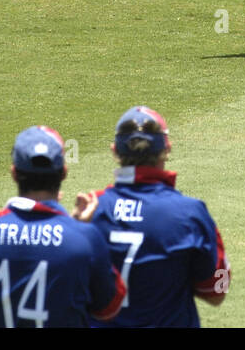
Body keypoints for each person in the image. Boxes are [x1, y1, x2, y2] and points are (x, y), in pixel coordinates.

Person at [72, 106, 230, 327]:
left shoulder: (88, 211)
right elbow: (217, 291)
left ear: (115, 151)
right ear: (167, 149)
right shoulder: (190, 212)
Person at [0, 125, 125, 328]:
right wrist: (79, 230)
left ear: (13, 172)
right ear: (64, 172)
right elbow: (108, 308)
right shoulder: (84, 239)